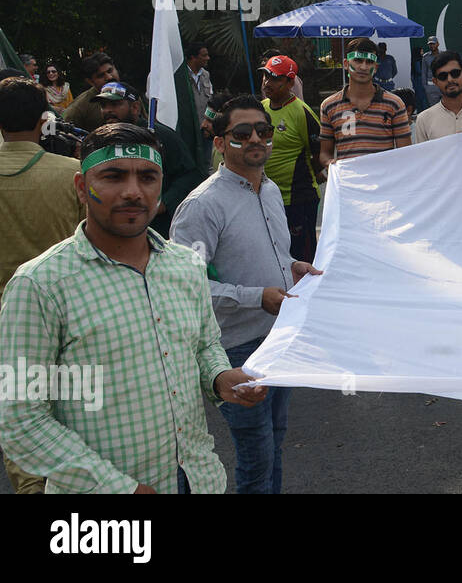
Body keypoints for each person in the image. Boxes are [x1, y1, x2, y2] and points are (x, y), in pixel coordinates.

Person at [0, 122, 267, 494]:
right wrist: (115, 487)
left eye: (147, 177)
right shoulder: (40, 285)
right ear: (81, 188)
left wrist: (219, 378)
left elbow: (205, 345)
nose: (132, 192)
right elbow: (20, 417)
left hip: (199, 478)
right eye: (113, 176)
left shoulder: (185, 265)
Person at [171, 97, 322, 495]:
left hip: (278, 337)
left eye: (264, 130)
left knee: (275, 440)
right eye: (242, 133)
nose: (256, 138)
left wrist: (293, 267)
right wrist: (257, 297)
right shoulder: (202, 206)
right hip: (235, 347)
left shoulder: (270, 189)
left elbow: (271, 252)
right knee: (256, 455)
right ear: (220, 143)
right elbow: (184, 285)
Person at [0, 78, 82, 495]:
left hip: (5, 328)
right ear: (43, 119)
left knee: (17, 414)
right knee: (75, 413)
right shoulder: (72, 175)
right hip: (71, 317)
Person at [95, 81, 204, 237]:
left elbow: (191, 174)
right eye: (103, 105)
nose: (108, 111)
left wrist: (165, 202)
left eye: (115, 104)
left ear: (135, 107)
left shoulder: (160, 136)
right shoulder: (100, 141)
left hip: (159, 229)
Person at [260, 56, 324, 262]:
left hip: (298, 199)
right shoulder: (260, 109)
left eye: (275, 78)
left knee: (301, 259)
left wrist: (305, 176)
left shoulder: (301, 112)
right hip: (266, 198)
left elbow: (319, 153)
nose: (267, 82)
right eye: (265, 75)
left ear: (290, 82)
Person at [318, 37, 412, 169]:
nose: (363, 67)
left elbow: (405, 153)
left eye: (369, 62)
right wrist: (330, 164)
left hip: (384, 184)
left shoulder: (394, 103)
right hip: (348, 184)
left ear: (376, 67)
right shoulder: (329, 105)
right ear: (345, 64)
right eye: (357, 60)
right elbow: (324, 154)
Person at [62, 52, 118, 132]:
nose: (109, 77)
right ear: (91, 82)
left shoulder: (130, 94)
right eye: (101, 76)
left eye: (110, 71)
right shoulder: (79, 108)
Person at [186, 42, 214, 166]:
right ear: (193, 57)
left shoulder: (206, 75)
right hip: (188, 131)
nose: (208, 58)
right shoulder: (180, 76)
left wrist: (209, 121)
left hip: (205, 131)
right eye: (204, 55)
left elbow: (212, 103)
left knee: (207, 163)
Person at [421, 37, 442, 107]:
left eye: (433, 44)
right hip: (431, 86)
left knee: (447, 107)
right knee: (434, 108)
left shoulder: (443, 55)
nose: (432, 46)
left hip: (443, 84)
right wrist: (426, 87)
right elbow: (424, 72)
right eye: (430, 44)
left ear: (438, 44)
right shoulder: (426, 57)